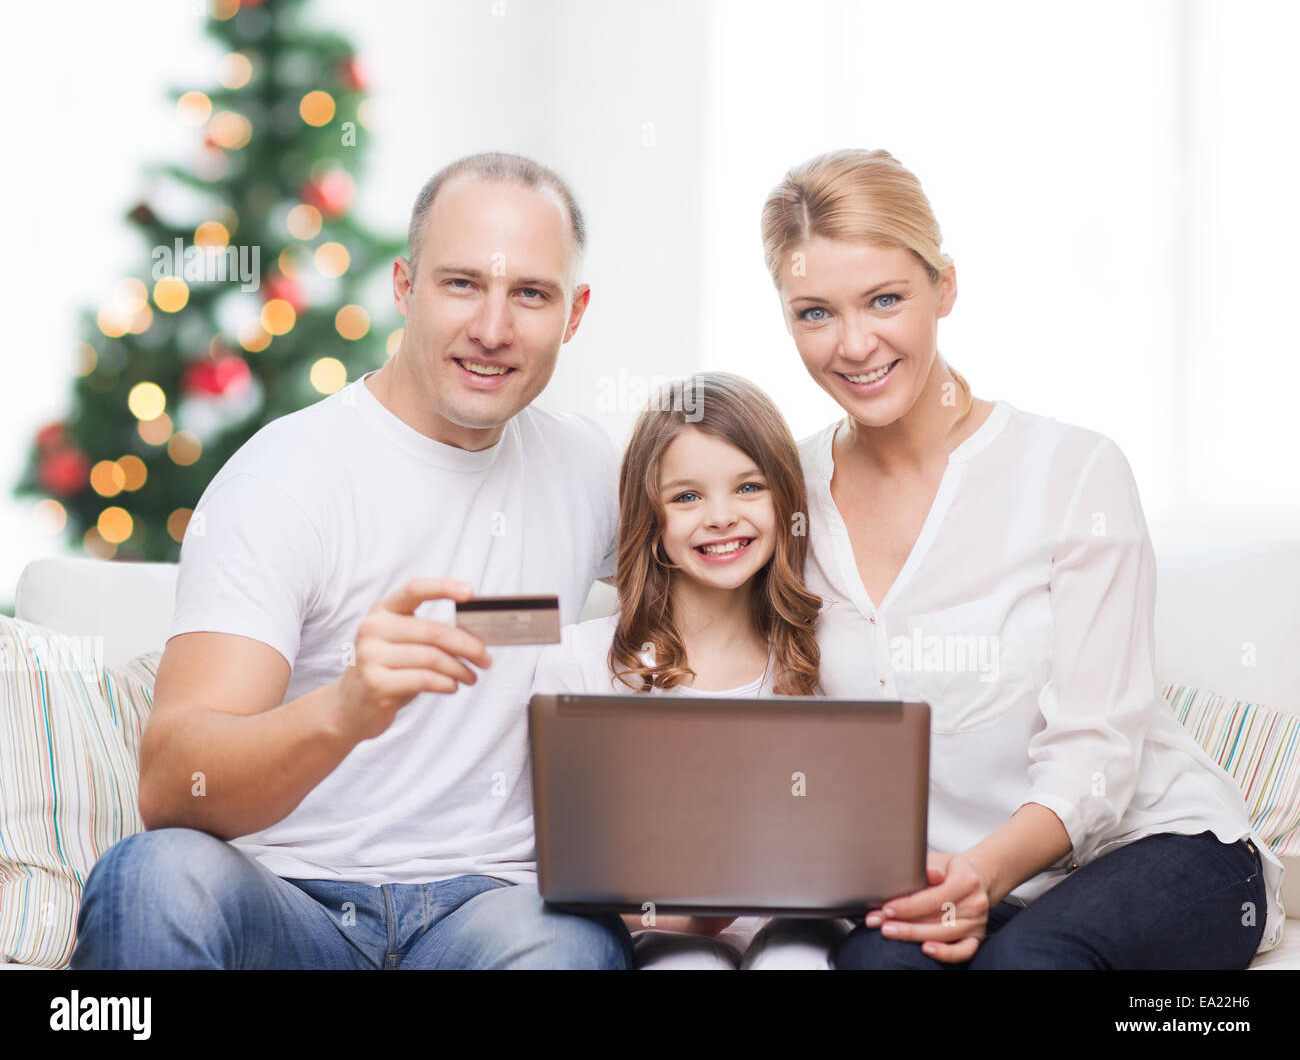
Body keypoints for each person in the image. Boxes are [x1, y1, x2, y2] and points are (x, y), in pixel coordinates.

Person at [70, 151, 633, 970]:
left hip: (494, 911)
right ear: (404, 286)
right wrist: (346, 708)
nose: (493, 328)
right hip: (290, 902)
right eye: (462, 283)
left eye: (531, 294)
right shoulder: (285, 477)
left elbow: (741, 576)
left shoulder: (589, 470)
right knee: (151, 876)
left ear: (574, 313)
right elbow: (171, 781)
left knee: (568, 946)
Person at [759, 147, 1286, 970]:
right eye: (814, 312)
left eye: (885, 299)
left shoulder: (1074, 471)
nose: (854, 343)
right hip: (946, 880)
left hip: (1151, 849)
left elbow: (1098, 754)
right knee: (868, 967)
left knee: (1027, 966)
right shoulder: (781, 494)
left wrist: (983, 874)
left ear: (946, 287)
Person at [533, 371, 848, 969]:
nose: (721, 517)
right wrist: (699, 912)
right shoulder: (579, 665)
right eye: (687, 497)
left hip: (799, 926)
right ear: (651, 525)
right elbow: (569, 871)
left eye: (749, 487)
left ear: (785, 501)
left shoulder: (820, 661)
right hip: (660, 935)